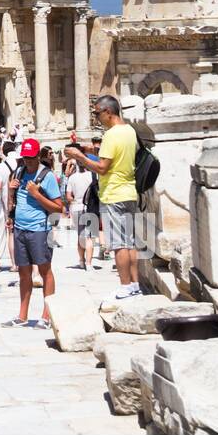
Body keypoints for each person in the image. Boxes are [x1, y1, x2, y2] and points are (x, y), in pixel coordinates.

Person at [65, 95, 141, 301]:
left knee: (119, 244)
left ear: (108, 112)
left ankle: (124, 286)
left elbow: (102, 167)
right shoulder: (128, 131)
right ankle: (135, 284)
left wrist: (78, 157)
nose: (96, 118)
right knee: (131, 242)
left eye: (97, 113)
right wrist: (89, 150)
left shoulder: (111, 135)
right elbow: (113, 156)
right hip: (129, 190)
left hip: (114, 193)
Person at [7, 139, 63, 327]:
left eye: (32, 158)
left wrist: (37, 195)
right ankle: (22, 316)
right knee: (23, 272)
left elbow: (58, 208)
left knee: (45, 271)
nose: (29, 161)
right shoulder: (19, 172)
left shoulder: (47, 176)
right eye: (26, 158)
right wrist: (10, 191)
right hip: (20, 228)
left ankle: (47, 315)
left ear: (38, 156)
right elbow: (15, 200)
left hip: (40, 229)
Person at [65, 152, 98, 270]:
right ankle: (89, 263)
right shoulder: (93, 176)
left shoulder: (72, 178)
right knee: (89, 236)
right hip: (90, 207)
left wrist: (75, 200)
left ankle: (81, 261)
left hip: (76, 207)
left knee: (80, 236)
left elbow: (68, 196)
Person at [0, 142, 18, 272]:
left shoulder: (1, 167)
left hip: (8, 202)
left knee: (10, 233)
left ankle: (14, 264)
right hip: (23, 201)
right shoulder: (21, 163)